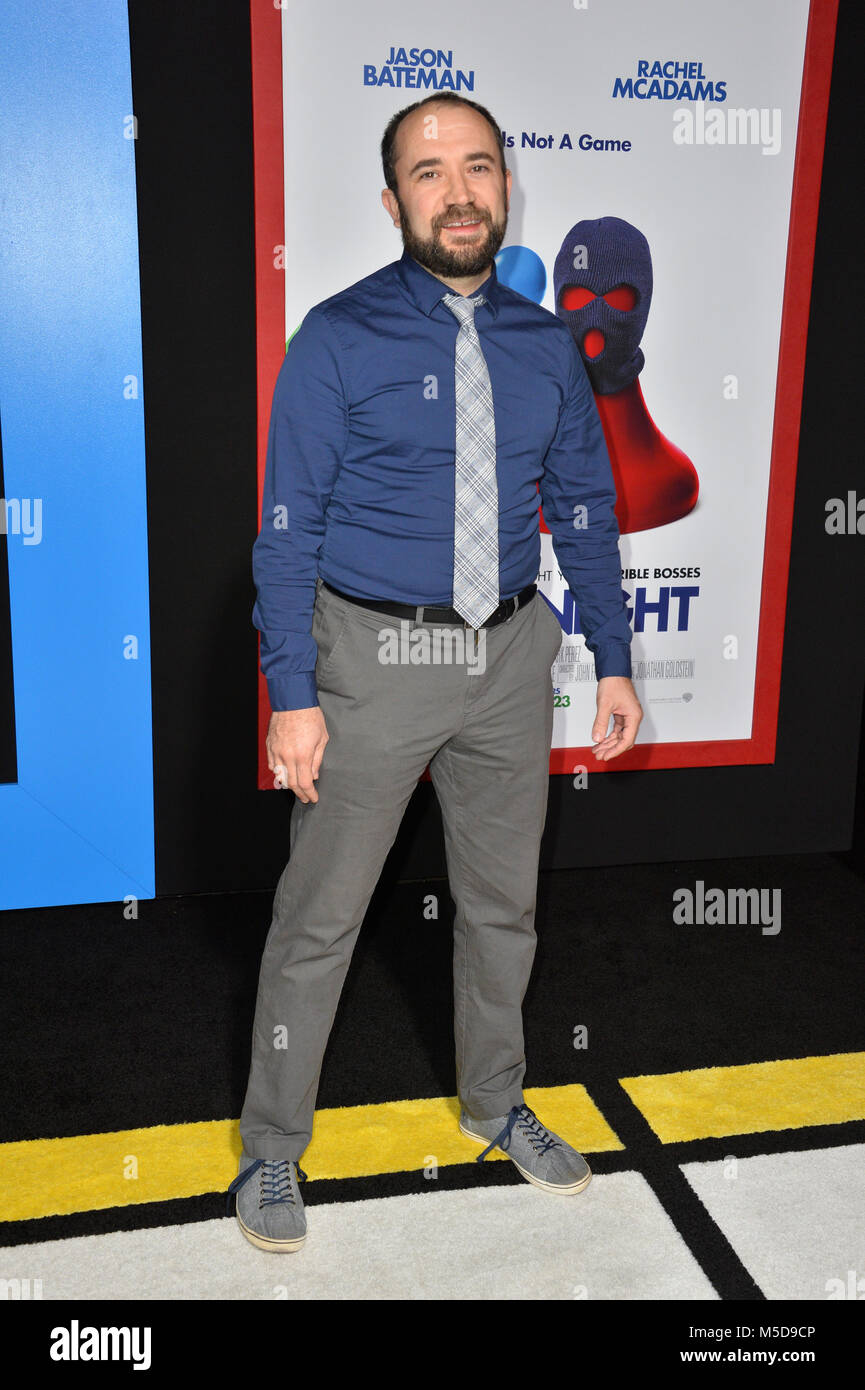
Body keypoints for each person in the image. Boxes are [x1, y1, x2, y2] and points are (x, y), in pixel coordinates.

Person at [227, 93, 643, 1252]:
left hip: (509, 656)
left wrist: (612, 656)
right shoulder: (338, 336)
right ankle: (271, 1150)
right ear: (392, 198)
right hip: (368, 658)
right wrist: (293, 694)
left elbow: (586, 511)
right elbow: (284, 534)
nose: (457, 191)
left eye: (477, 168)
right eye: (428, 172)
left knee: (503, 907)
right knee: (320, 919)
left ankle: (493, 1101)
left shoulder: (545, 343)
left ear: (506, 186)